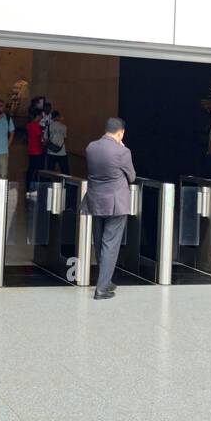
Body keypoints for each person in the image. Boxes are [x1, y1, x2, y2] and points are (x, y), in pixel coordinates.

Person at [84, 117, 135, 301]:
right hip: (115, 202)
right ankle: (102, 288)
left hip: (95, 200)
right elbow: (131, 176)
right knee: (110, 245)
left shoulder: (91, 147)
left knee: (99, 242)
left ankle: (106, 279)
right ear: (120, 132)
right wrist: (122, 147)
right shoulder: (122, 151)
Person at [25, 108, 46, 188]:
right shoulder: (37, 125)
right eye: (41, 115)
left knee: (30, 169)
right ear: (38, 115)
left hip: (31, 150)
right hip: (38, 151)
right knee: (37, 170)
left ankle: (28, 185)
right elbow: (41, 138)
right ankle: (36, 186)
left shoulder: (29, 124)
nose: (42, 117)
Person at [45, 109, 69, 174]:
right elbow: (65, 138)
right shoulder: (64, 127)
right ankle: (66, 183)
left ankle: (49, 183)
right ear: (58, 116)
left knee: (50, 171)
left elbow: (45, 138)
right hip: (62, 151)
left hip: (51, 151)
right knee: (65, 171)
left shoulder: (48, 126)